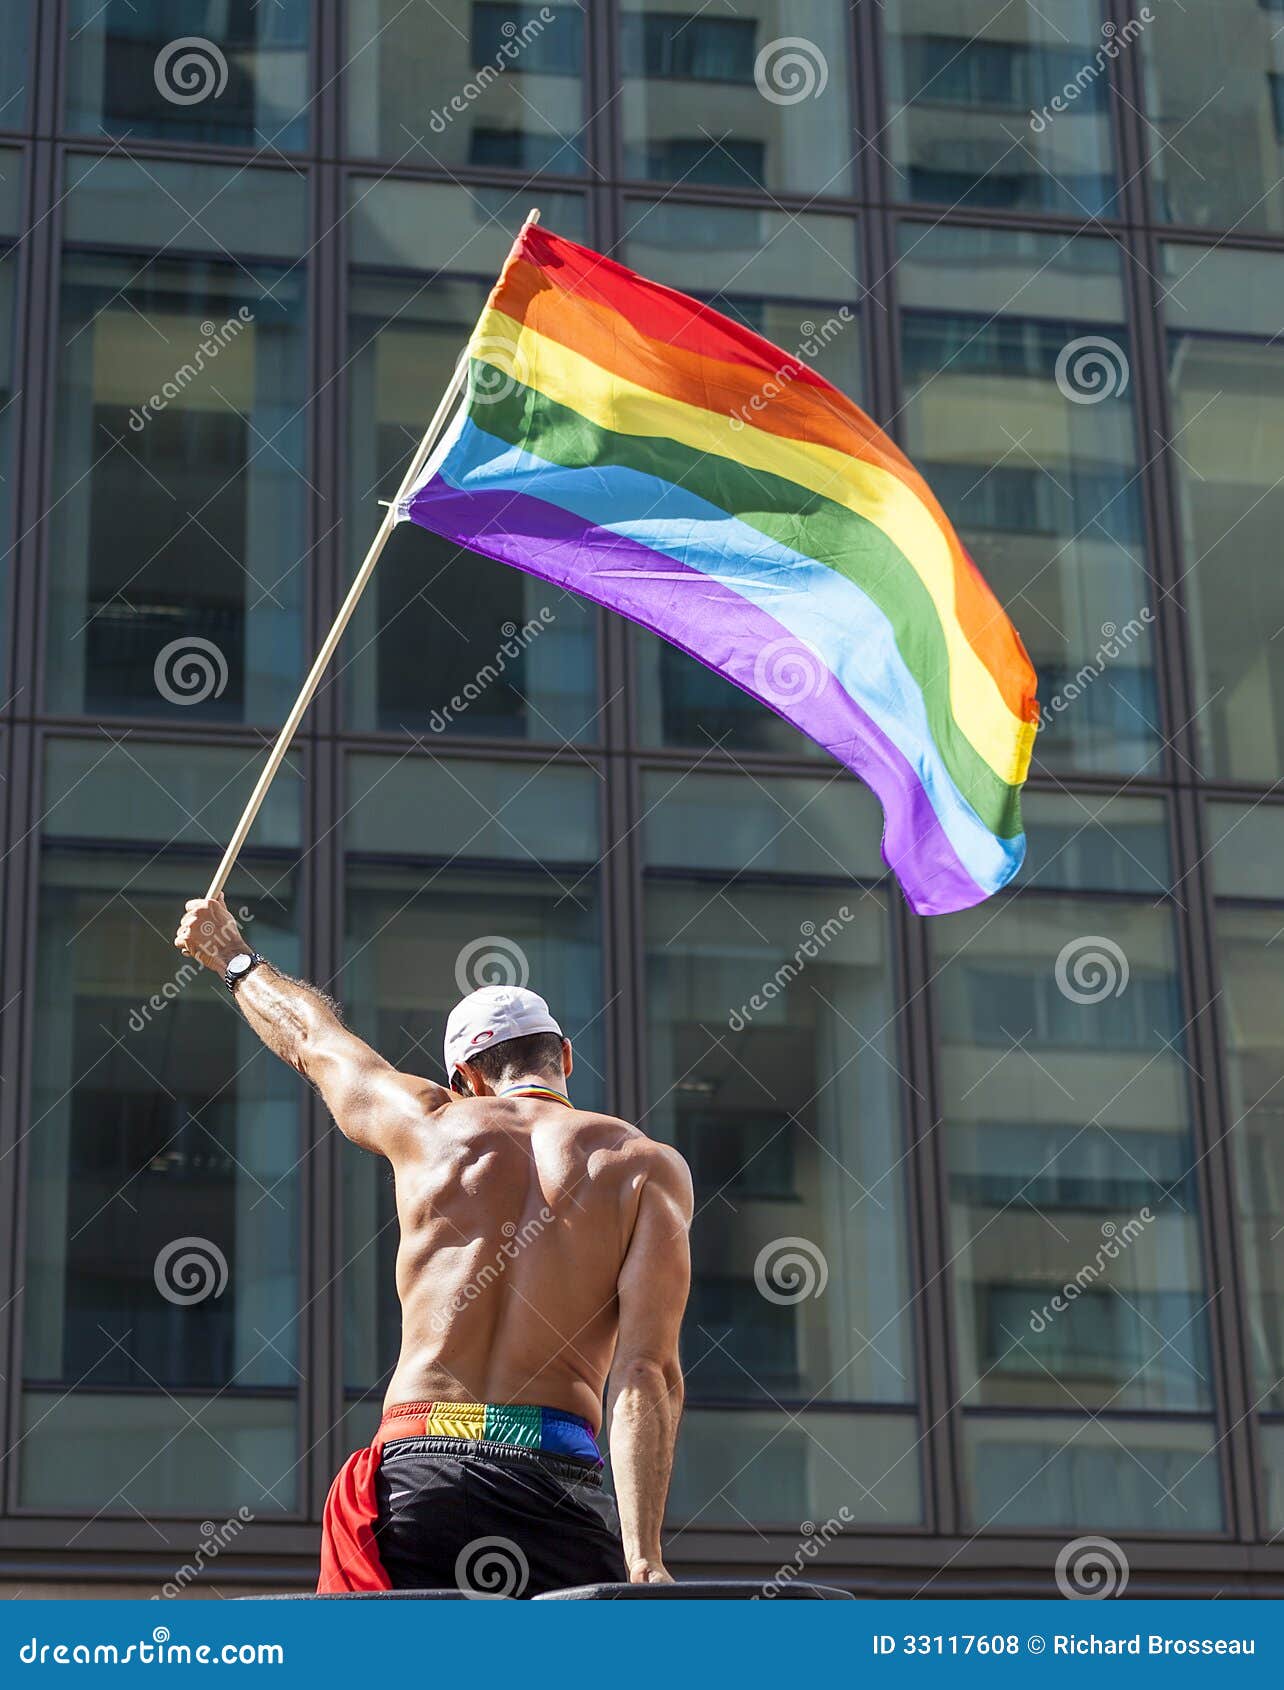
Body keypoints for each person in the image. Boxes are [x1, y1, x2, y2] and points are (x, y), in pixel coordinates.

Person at [173, 894, 693, 1597]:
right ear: (563, 1055)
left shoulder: (429, 1125)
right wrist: (643, 1556)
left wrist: (232, 956)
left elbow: (314, 1041)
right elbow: (647, 1373)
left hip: (417, 1477)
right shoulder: (642, 1166)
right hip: (554, 1476)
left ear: (464, 1079)